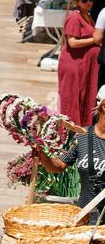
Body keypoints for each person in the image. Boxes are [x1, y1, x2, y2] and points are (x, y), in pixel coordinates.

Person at [37, 86, 105, 224]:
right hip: (84, 220)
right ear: (104, 106)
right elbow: (59, 165)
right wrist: (40, 152)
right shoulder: (84, 136)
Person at [57, 0, 103, 127]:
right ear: (77, 2)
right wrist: (94, 41)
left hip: (84, 65)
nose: (88, 2)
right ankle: (72, 130)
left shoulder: (87, 16)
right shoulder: (74, 17)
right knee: (72, 98)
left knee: (84, 96)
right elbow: (72, 42)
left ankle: (82, 128)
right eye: (84, 0)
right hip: (74, 66)